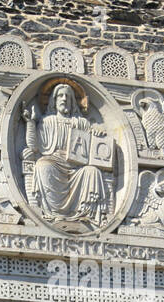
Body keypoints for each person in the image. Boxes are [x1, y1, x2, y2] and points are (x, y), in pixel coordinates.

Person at [23, 82, 110, 226]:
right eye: (60, 96)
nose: (64, 99)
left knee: (93, 172)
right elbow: (34, 147)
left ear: (72, 102)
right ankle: (54, 213)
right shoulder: (47, 121)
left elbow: (91, 146)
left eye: (68, 97)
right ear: (54, 100)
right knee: (42, 165)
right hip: (54, 160)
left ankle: (86, 215)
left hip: (76, 167)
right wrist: (30, 123)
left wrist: (97, 135)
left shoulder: (82, 123)